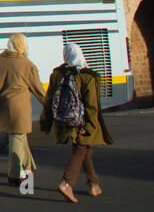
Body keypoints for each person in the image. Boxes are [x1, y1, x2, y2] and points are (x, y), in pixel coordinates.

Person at [41, 41, 113, 203]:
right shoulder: (87, 76)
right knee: (80, 150)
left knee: (84, 149)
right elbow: (92, 106)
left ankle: (94, 183)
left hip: (64, 120)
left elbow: (49, 100)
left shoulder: (57, 75)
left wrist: (46, 123)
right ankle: (67, 183)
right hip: (81, 122)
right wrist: (89, 127)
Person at [0, 33, 46, 186]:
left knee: (19, 136)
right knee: (16, 137)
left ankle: (29, 166)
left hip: (0, 106)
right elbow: (39, 90)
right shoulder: (27, 65)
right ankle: (14, 174)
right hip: (19, 108)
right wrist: (51, 105)